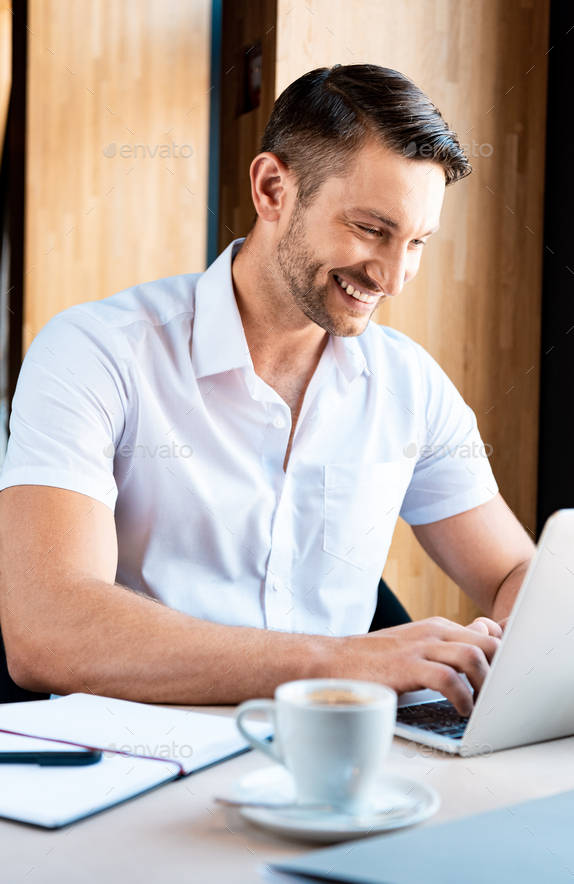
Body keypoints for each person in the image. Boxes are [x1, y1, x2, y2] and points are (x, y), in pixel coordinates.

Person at [0, 65, 534, 716]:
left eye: (415, 241)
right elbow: (45, 629)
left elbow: (513, 573)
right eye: (371, 229)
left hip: (338, 763)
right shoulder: (97, 351)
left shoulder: (410, 385)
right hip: (137, 768)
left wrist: (529, 646)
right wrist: (340, 663)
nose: (393, 278)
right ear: (273, 188)